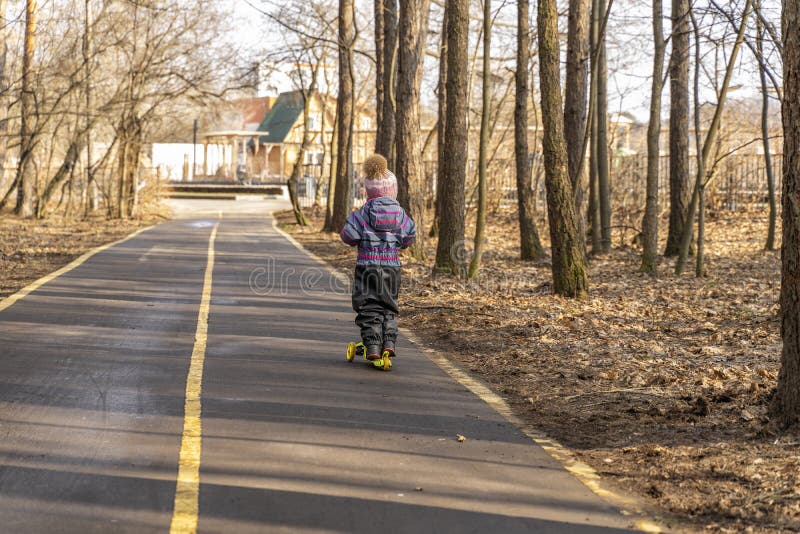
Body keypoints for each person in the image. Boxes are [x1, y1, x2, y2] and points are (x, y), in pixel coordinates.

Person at [340, 154, 416, 361]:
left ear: (369, 191)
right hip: (392, 267)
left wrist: (360, 237)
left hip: (367, 267)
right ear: (393, 191)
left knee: (369, 305)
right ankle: (389, 342)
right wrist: (400, 242)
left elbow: (349, 235)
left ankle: (373, 346)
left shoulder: (363, 213)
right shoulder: (400, 215)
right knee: (388, 306)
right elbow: (409, 235)